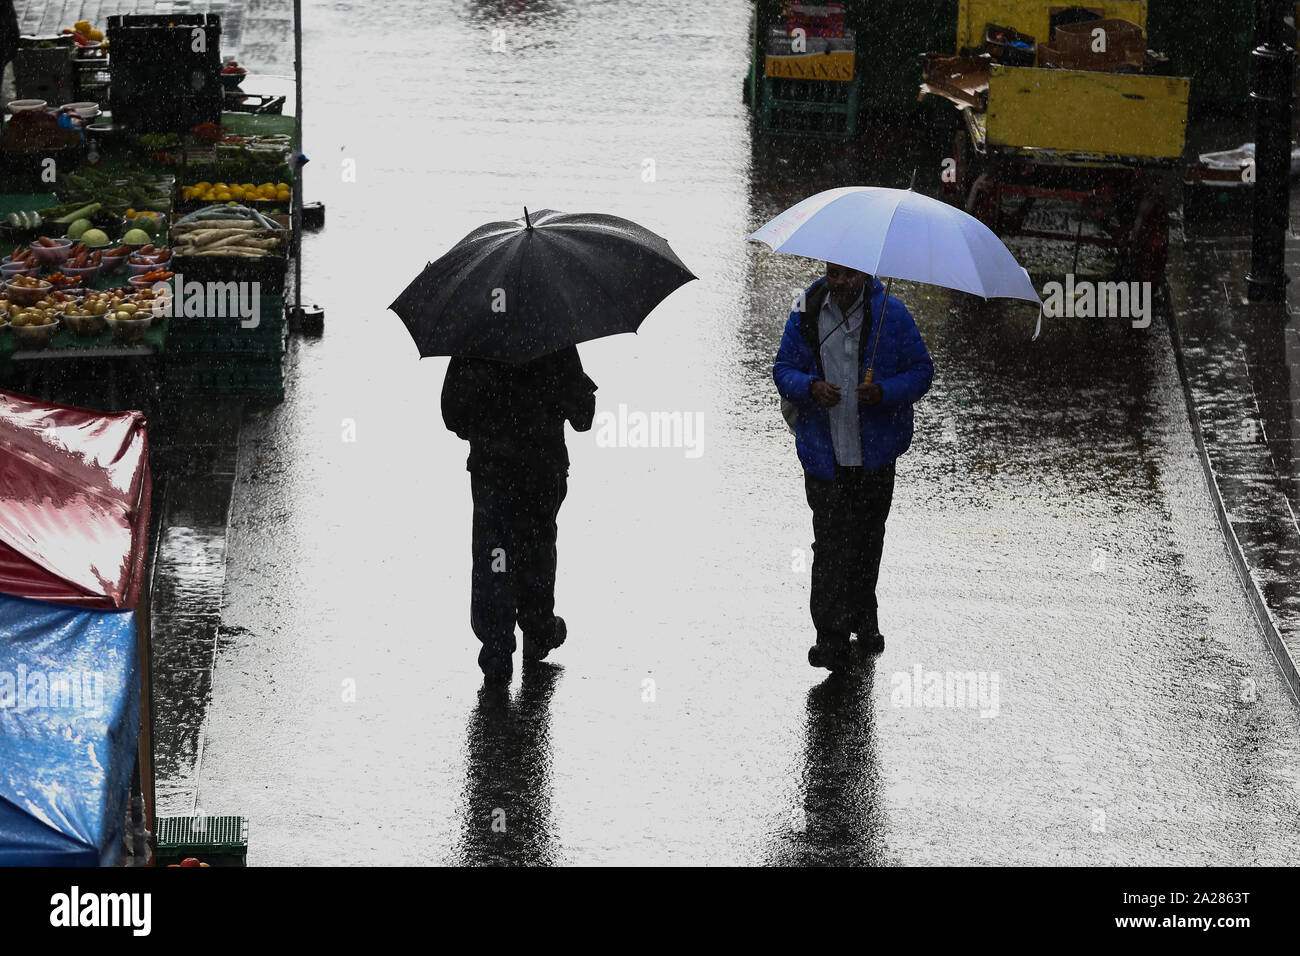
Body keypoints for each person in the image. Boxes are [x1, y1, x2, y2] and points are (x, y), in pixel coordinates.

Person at [773, 262, 933, 673]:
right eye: (833, 273)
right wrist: (810, 387)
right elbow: (782, 368)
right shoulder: (804, 309)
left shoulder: (891, 314)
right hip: (824, 457)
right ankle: (830, 638)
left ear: (864, 275)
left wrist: (883, 392)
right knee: (829, 546)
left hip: (875, 457)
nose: (840, 282)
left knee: (865, 541)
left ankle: (864, 617)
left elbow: (921, 372)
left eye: (849, 275)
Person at [441, 346, 597, 682]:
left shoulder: (476, 341)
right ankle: (538, 629)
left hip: (492, 473)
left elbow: (452, 414)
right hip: (542, 470)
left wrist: (487, 427)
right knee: (536, 549)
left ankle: (496, 647)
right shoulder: (555, 341)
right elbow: (583, 416)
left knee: (494, 555)